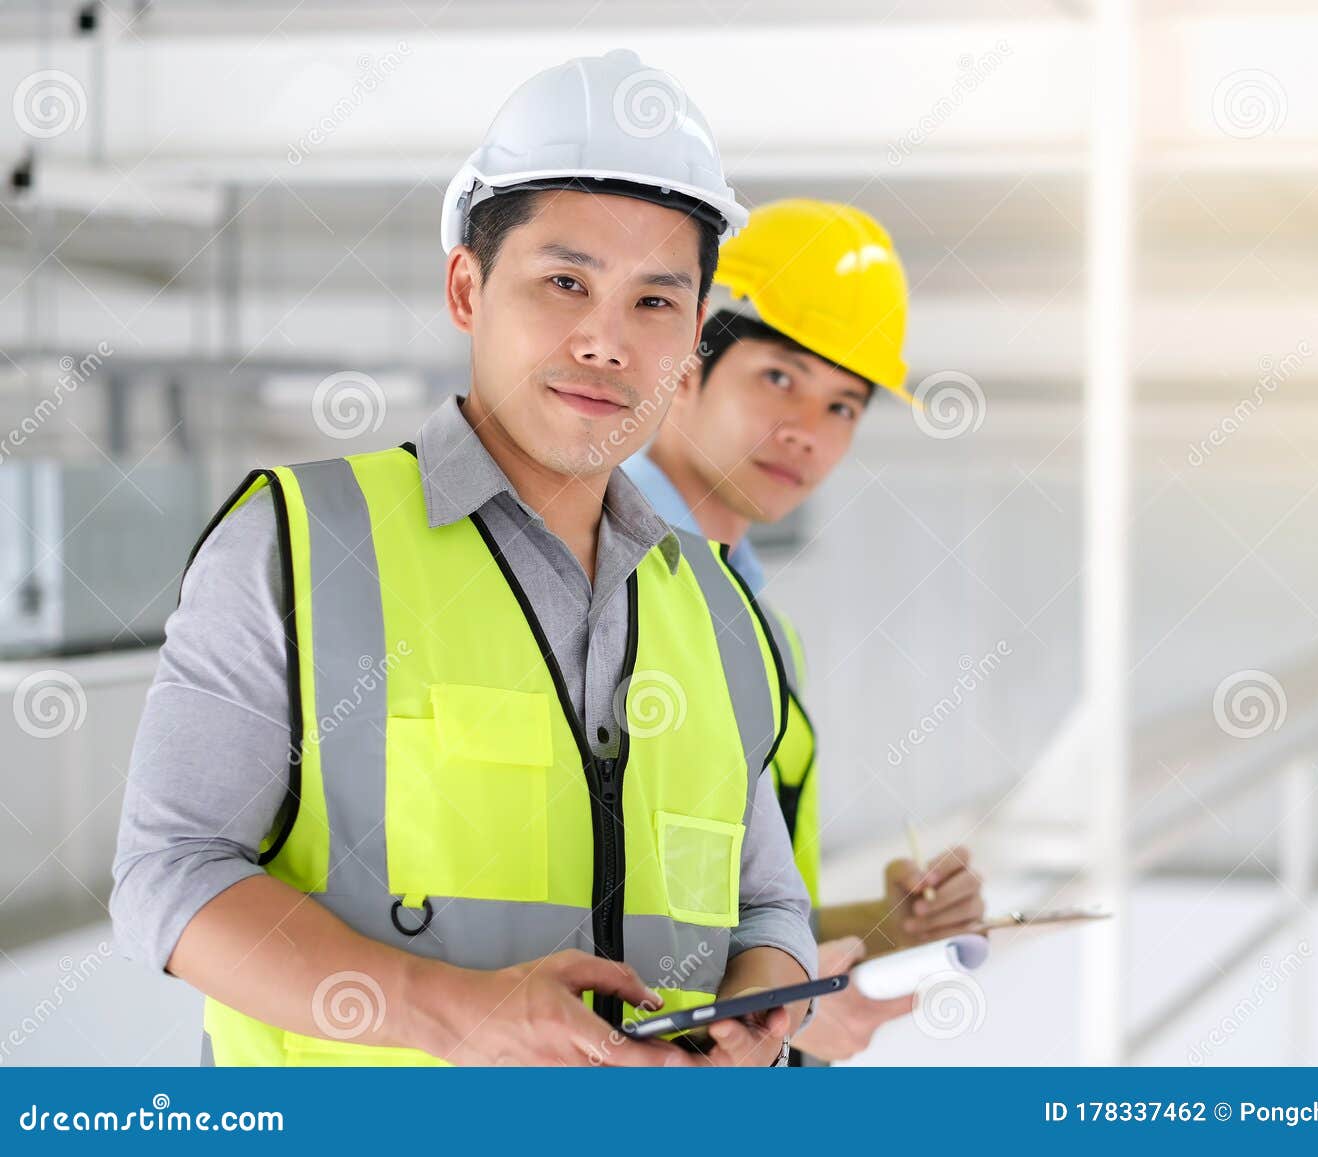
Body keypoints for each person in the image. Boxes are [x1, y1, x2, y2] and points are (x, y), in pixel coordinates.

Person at [110, 50, 815, 1068]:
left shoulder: (721, 611)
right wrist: (456, 1011)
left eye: (655, 304)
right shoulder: (299, 541)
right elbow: (168, 874)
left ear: (696, 334)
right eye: (565, 282)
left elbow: (767, 902)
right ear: (465, 285)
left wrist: (760, 1007)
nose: (607, 341)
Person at [624, 198, 986, 1063]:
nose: (807, 433)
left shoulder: (756, 624)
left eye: (844, 407)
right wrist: (794, 1014)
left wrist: (882, 926)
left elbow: (706, 903)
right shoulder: (595, 575)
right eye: (780, 378)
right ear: (684, 362)